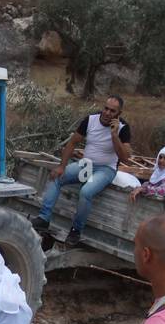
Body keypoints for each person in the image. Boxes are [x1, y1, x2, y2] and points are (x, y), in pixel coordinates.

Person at [31, 95, 133, 246]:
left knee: (86, 192)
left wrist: (114, 135)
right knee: (57, 177)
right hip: (87, 165)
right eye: (106, 108)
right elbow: (72, 142)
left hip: (106, 169)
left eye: (112, 111)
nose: (107, 113)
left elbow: (125, 158)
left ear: (119, 113)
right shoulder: (90, 120)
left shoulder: (123, 128)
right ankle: (44, 218)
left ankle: (75, 231)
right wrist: (61, 166)